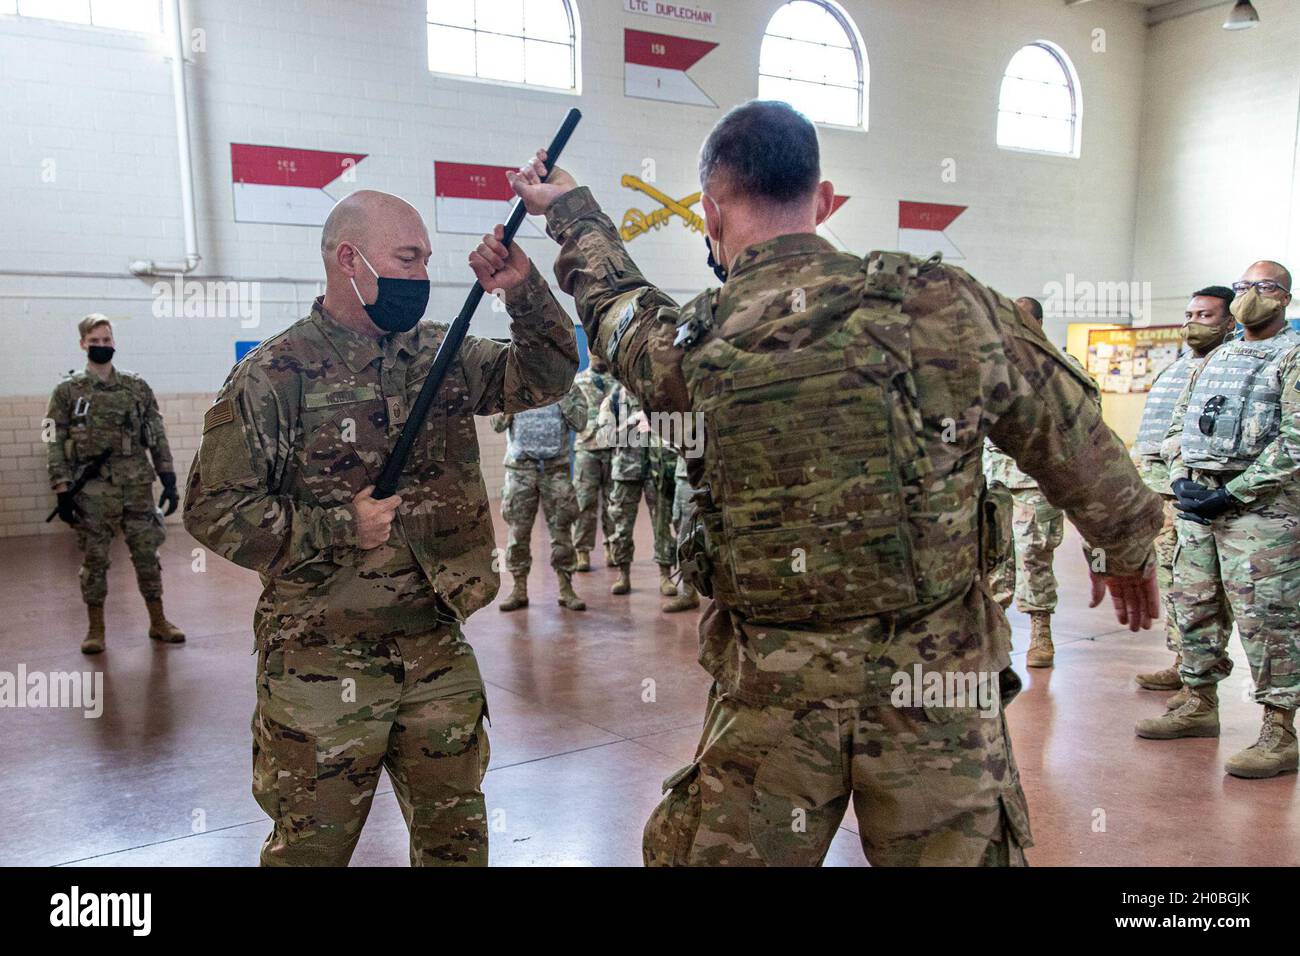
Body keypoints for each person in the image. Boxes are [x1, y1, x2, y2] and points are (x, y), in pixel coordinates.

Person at [510, 100, 1163, 865]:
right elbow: (1071, 433)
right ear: (823, 201)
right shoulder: (946, 307)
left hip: (771, 689)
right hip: (936, 687)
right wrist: (1125, 546)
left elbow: (614, 306)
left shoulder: (689, 342)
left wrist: (570, 210)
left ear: (710, 215)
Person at [183, 190, 578, 865]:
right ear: (349, 259)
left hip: (434, 646)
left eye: (425, 260)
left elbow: (545, 375)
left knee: (457, 843)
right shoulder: (275, 375)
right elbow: (213, 509)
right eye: (408, 258)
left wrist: (523, 289)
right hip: (319, 655)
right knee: (312, 849)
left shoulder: (440, 353)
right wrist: (340, 526)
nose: (422, 276)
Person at [1137, 261, 1300, 780]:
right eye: (1244, 286)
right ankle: (1198, 703)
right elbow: (1180, 422)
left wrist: (1233, 491)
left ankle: (1279, 730)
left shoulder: (1293, 356)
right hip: (1199, 505)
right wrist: (1183, 475)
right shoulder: (1218, 356)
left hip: (1263, 513)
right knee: (1194, 601)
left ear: (1285, 299)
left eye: (1265, 286)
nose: (1252, 294)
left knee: (1267, 618)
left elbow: (1295, 442)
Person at [46, 314, 185, 654]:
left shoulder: (136, 387)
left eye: (106, 341)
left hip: (136, 483)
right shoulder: (67, 391)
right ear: (83, 344)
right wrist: (62, 488)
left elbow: (156, 432)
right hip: (92, 491)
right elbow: (53, 437)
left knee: (146, 554)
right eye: (95, 342)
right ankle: (96, 629)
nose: (102, 347)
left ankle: (158, 621)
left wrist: (168, 477)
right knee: (95, 559)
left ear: (114, 342)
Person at [982, 296, 1101, 668]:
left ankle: (1040, 632)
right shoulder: (989, 364)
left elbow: (1085, 422)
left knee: (1034, 556)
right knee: (991, 560)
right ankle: (995, 634)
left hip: (1037, 482)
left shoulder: (1061, 366)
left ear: (1037, 324)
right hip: (993, 480)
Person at [1130, 287, 1236, 692]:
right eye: (1189, 313)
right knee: (1175, 581)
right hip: (1160, 490)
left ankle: (1199, 674)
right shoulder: (1175, 368)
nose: (1192, 322)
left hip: (1195, 493)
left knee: (1203, 589)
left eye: (1205, 315)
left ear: (1229, 322)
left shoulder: (1224, 368)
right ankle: (1182, 660)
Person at [491, 383, 587, 612]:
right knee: (517, 534)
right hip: (520, 472)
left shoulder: (569, 388)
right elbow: (496, 424)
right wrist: (512, 398)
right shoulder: (512, 387)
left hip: (555, 470)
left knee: (562, 532)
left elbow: (581, 422)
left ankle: (566, 588)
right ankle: (519, 589)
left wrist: (560, 394)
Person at [571, 355, 617, 571]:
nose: (598, 355)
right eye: (593, 351)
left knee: (613, 503)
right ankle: (582, 551)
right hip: (587, 449)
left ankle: (612, 548)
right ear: (589, 353)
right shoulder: (578, 382)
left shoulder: (617, 381)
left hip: (613, 448)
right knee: (584, 502)